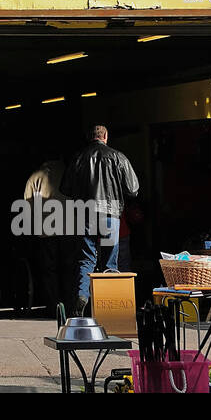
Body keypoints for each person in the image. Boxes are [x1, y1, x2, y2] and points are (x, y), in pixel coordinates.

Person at [60, 125, 140, 316]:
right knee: (110, 263)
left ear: (90, 138)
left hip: (85, 214)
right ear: (105, 136)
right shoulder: (117, 157)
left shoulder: (79, 158)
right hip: (110, 215)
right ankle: (109, 309)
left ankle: (82, 296)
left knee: (86, 259)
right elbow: (133, 189)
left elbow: (65, 188)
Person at [23, 158, 66, 314]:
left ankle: (53, 306)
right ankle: (71, 304)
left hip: (46, 232)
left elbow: (27, 206)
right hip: (70, 228)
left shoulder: (35, 177)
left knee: (49, 271)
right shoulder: (69, 171)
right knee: (69, 268)